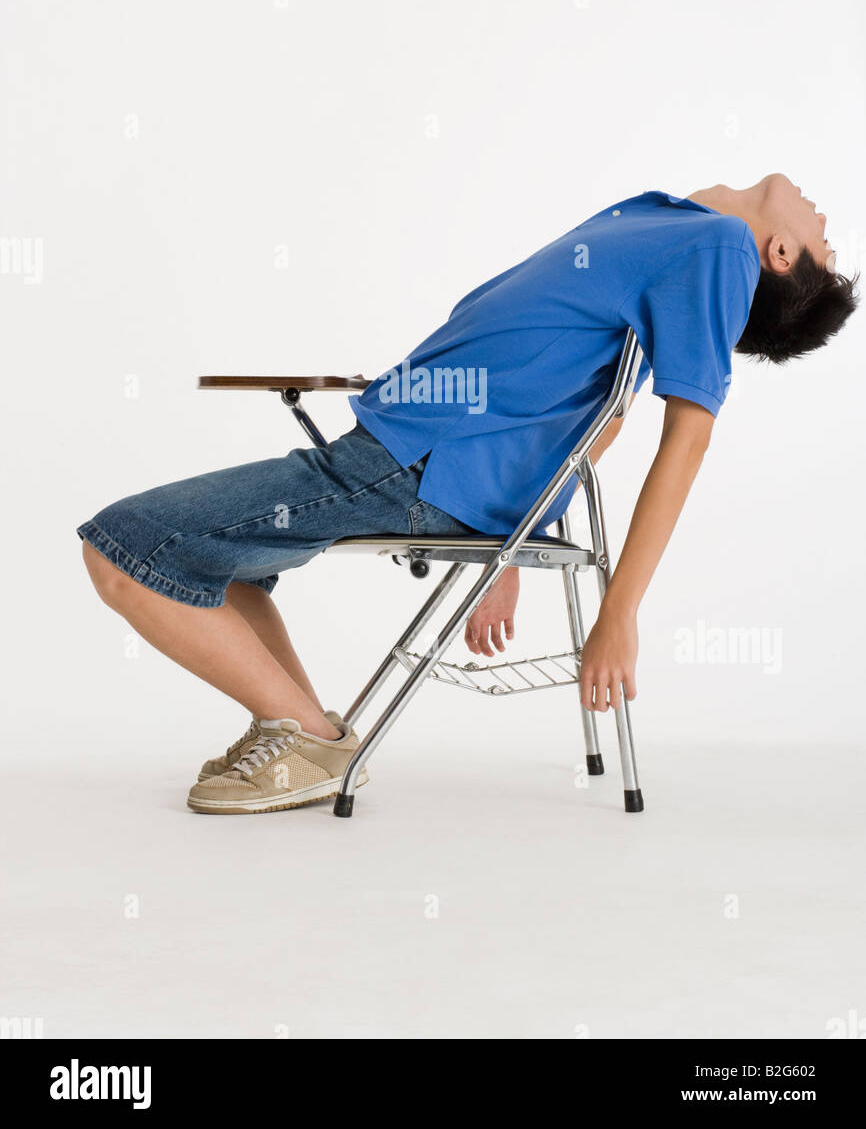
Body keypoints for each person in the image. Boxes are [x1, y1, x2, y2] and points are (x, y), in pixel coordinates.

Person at [78, 176, 857, 814]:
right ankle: (301, 736)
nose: (827, 218)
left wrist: (618, 613)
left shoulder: (719, 246)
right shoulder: (666, 221)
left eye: (825, 240)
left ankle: (305, 737)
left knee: (122, 548)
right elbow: (590, 411)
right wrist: (513, 538)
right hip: (409, 448)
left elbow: (685, 436)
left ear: (780, 254)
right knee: (219, 556)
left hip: (412, 462)